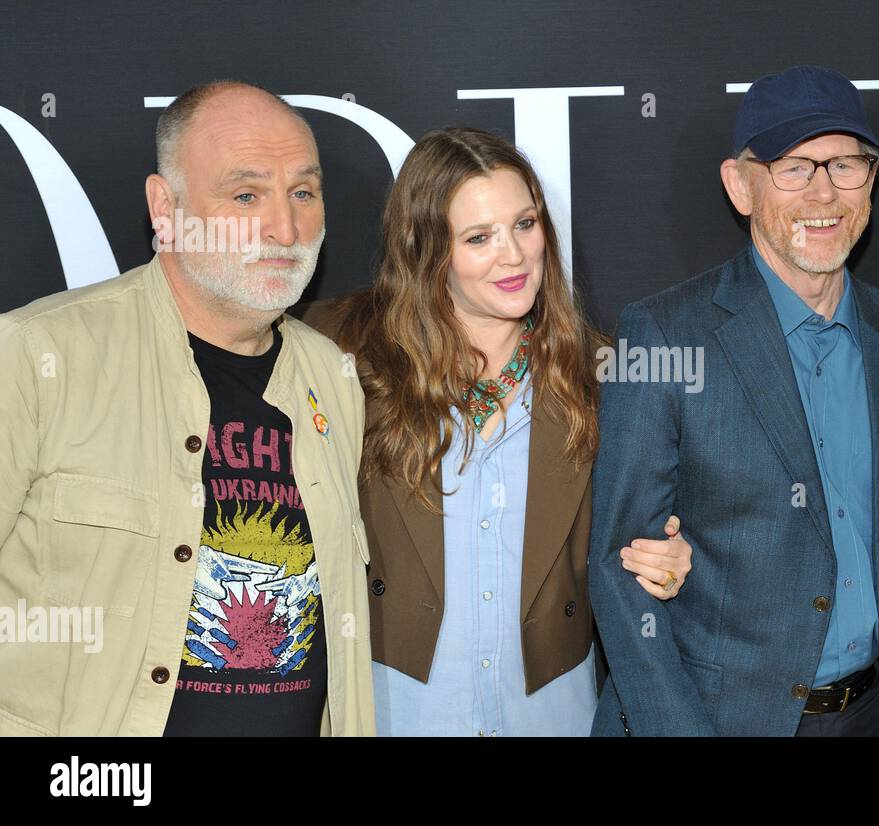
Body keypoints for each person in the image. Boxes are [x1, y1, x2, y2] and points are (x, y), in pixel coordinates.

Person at [588, 65, 879, 736]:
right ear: (740, 184)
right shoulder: (665, 335)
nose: (825, 193)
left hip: (878, 718)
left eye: (845, 164)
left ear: (871, 180)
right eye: (794, 167)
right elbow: (622, 573)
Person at [0, 81, 374, 735]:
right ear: (164, 207)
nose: (284, 228)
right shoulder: (34, 357)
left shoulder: (333, 376)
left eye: (303, 193)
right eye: (246, 194)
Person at [298, 127, 693, 736]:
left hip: (549, 714)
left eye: (525, 224)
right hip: (398, 713)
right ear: (426, 251)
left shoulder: (602, 375)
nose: (513, 255)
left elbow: (638, 533)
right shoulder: (341, 354)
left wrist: (666, 558)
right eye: (478, 237)